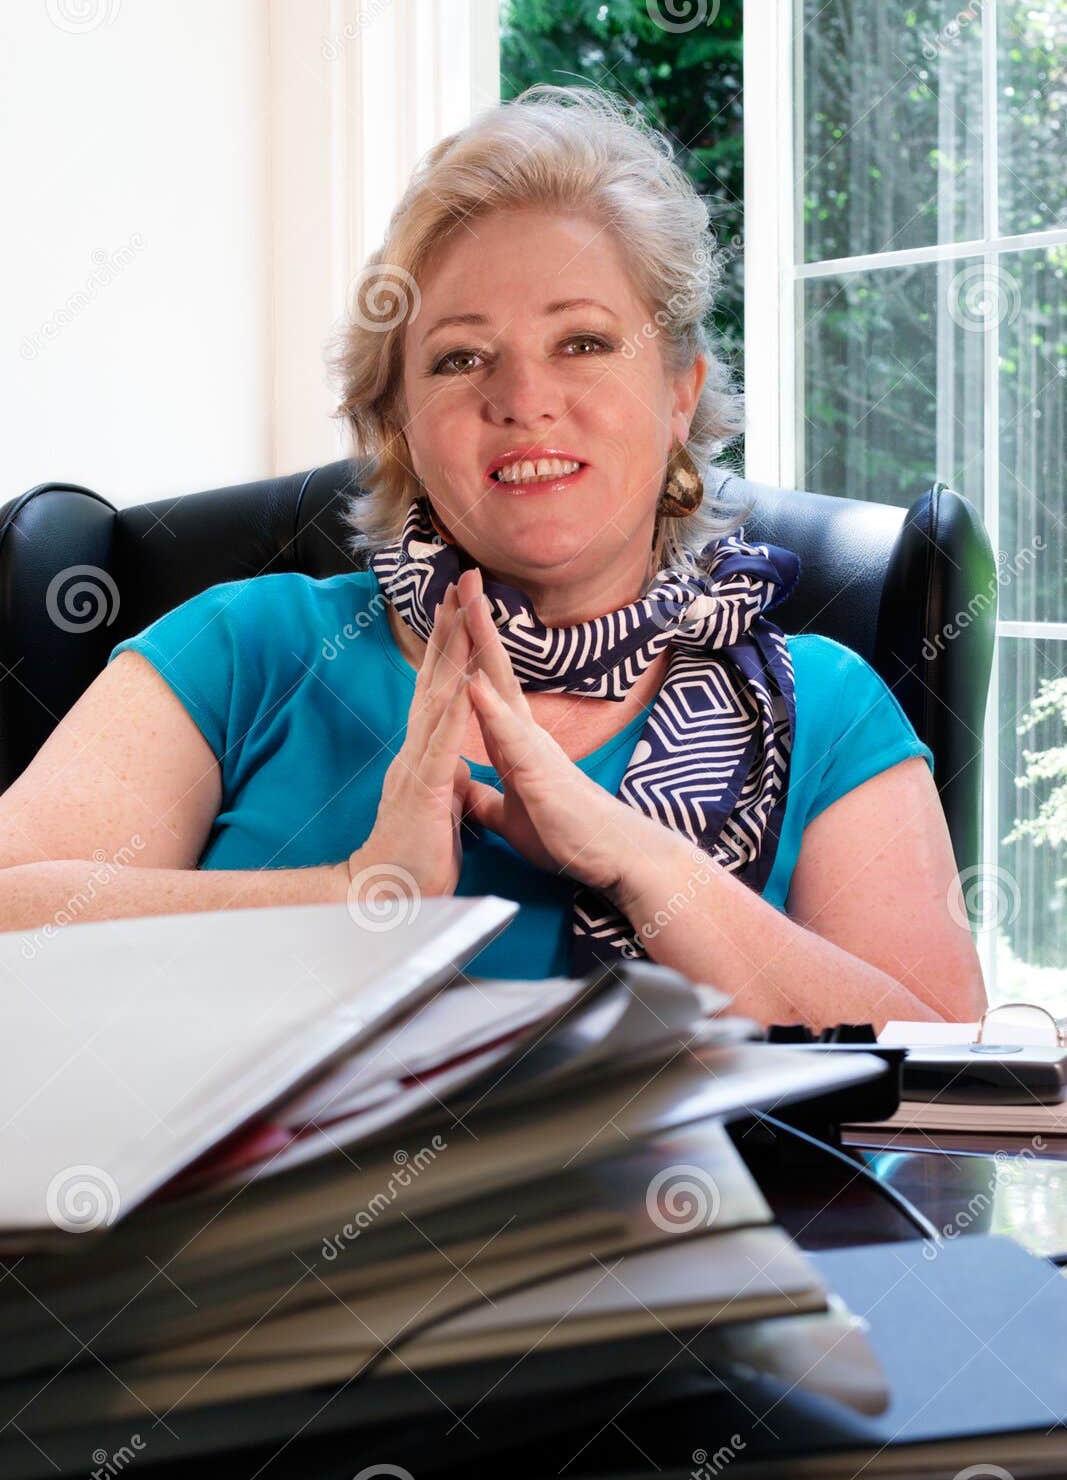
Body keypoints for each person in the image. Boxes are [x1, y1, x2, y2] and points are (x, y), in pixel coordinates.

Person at [0, 86, 987, 1032]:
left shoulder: (827, 701)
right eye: (459, 357)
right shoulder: (241, 648)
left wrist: (641, 861)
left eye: (584, 342)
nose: (522, 397)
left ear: (678, 393)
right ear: (399, 423)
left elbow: (954, 1068)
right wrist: (350, 897)